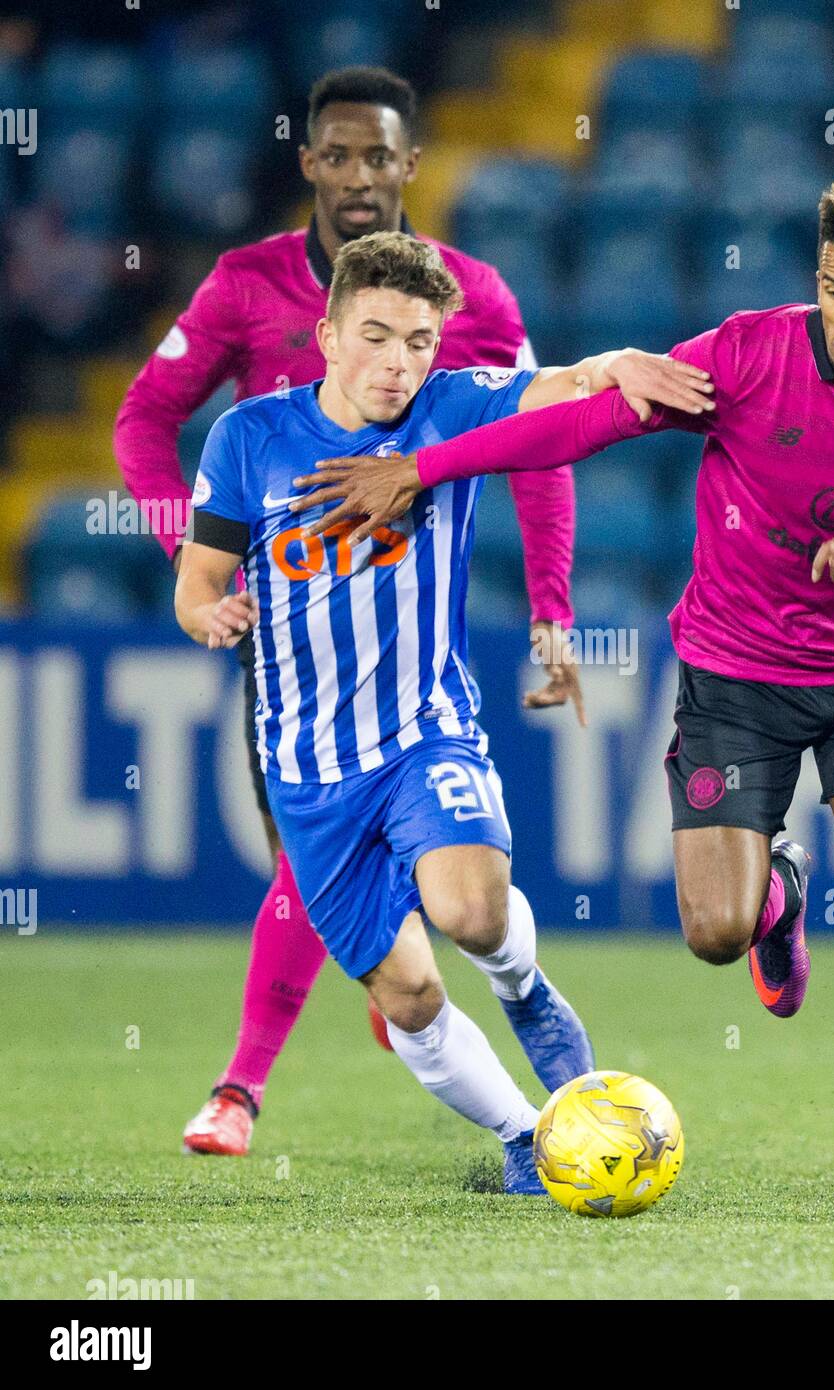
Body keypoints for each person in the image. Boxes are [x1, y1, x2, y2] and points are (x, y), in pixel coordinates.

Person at [296, 174, 834, 1204]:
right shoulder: (748, 355)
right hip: (735, 670)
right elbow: (578, 427)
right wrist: (430, 467)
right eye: (832, 288)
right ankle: (778, 895)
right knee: (715, 933)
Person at [174, 231, 712, 1191]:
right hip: (307, 772)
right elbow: (197, 578)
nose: (398, 362)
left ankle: (522, 984)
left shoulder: (451, 409)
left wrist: (612, 366)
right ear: (328, 335)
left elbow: (557, 398)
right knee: (410, 995)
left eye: (419, 341)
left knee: (471, 912)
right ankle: (524, 1137)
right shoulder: (248, 438)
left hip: (428, 731)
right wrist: (211, 611)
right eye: (376, 336)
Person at [114, 67, 582, 1156]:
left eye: (382, 157)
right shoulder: (244, 289)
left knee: (456, 904)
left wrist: (552, 612)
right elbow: (146, 420)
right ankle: (354, 1072)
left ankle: (246, 1083)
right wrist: (196, 568)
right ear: (310, 163)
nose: (362, 177)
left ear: (410, 165)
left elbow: (543, 445)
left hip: (415, 667)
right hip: (285, 643)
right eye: (342, 155)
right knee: (333, 889)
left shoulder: (471, 300)